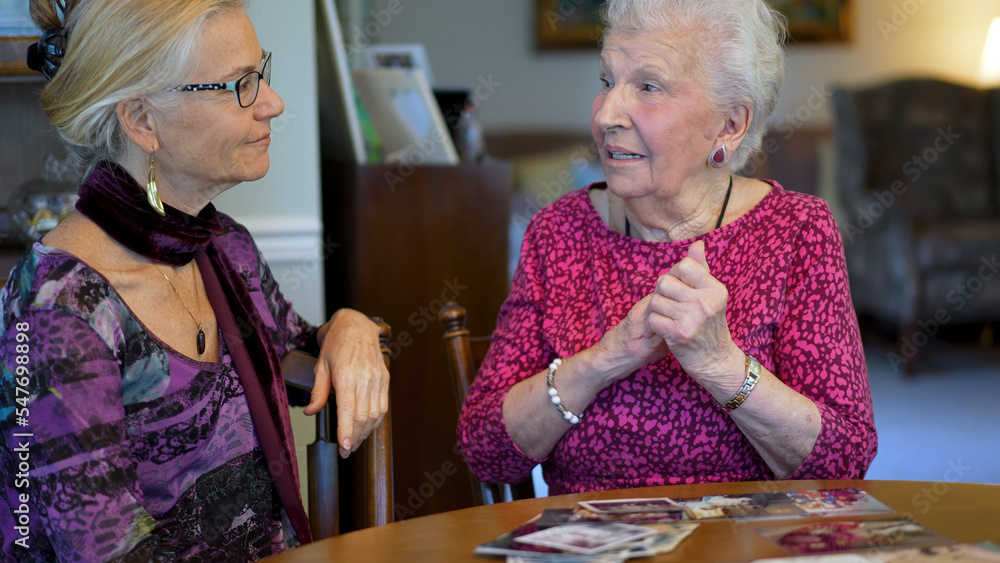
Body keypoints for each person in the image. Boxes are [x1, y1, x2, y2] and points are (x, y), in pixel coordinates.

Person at [0, 0, 389, 560]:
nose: (274, 104)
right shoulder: (59, 309)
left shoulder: (222, 244)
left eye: (262, 73)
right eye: (240, 85)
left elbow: (299, 344)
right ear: (141, 120)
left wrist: (351, 327)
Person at [457, 0, 877, 495]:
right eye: (607, 82)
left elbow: (844, 461)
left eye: (648, 87)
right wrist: (601, 360)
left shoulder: (796, 230)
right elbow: (485, 452)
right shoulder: (560, 232)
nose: (607, 114)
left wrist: (719, 363)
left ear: (729, 125)